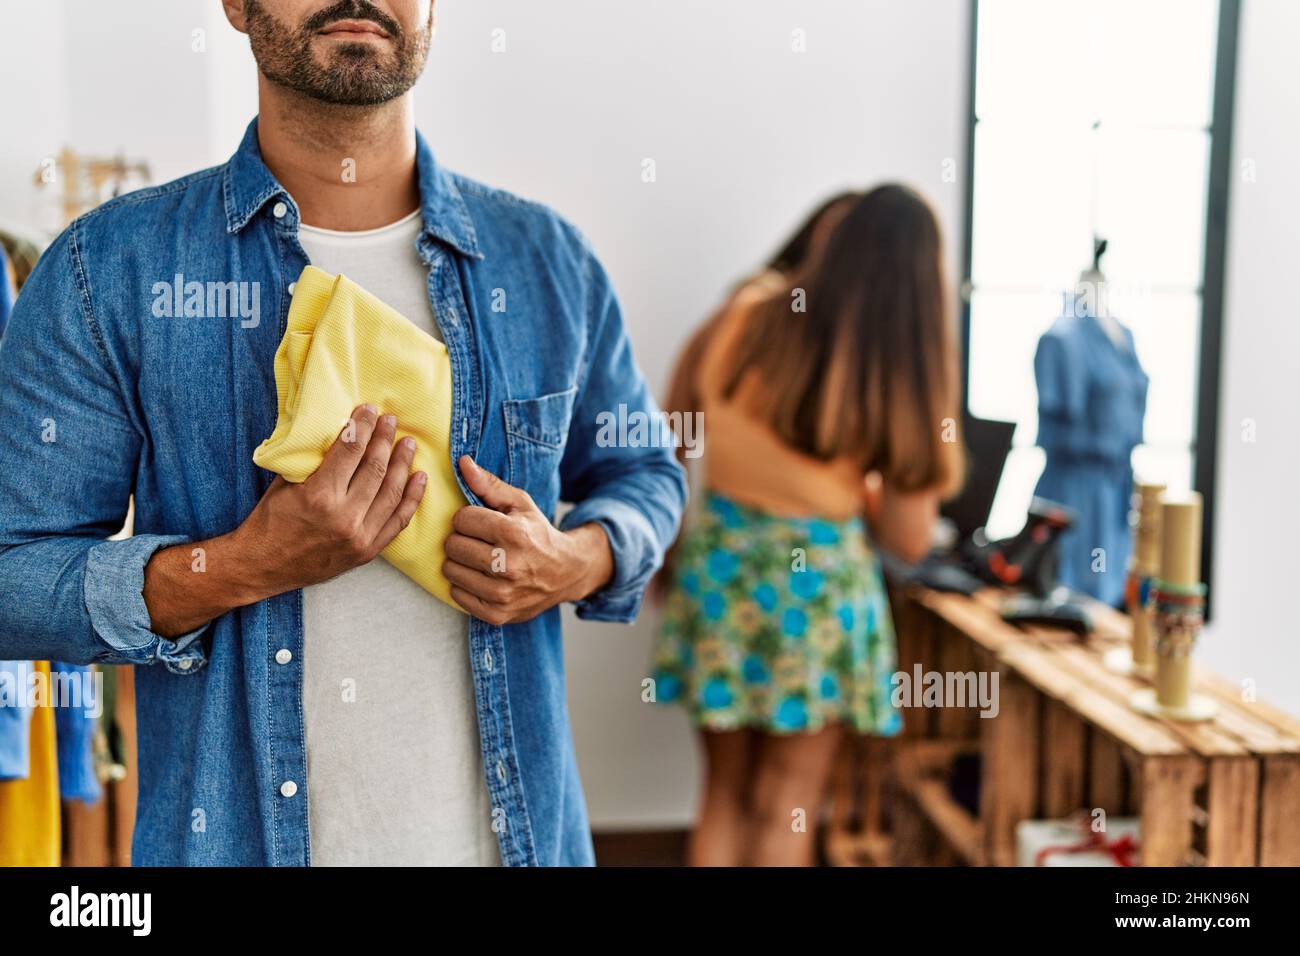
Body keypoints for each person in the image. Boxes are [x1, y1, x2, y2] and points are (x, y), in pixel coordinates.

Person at [0, 0, 685, 867]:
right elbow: (10, 576)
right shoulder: (111, 270)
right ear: (237, 5)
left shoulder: (548, 262)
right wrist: (247, 563)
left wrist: (575, 562)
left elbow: (647, 476)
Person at [652, 186, 963, 866]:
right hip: (816, 595)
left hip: (721, 567)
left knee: (724, 792)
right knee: (788, 798)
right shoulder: (894, 369)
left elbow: (674, 432)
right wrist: (863, 489)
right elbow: (911, 541)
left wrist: (666, 552)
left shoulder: (743, 312)